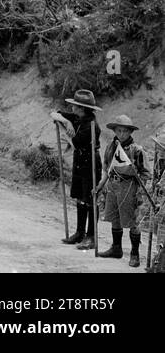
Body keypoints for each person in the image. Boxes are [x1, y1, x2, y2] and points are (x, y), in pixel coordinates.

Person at [50, 89, 103, 250]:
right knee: (80, 198)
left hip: (91, 163)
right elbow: (55, 114)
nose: (72, 108)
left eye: (75, 106)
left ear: (82, 108)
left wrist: (67, 131)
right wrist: (67, 122)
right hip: (79, 161)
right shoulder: (78, 118)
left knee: (90, 199)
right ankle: (79, 233)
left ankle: (91, 236)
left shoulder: (92, 126)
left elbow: (76, 142)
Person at [95, 115, 149, 266]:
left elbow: (145, 174)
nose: (122, 134)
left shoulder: (137, 150)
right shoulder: (111, 147)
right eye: (119, 130)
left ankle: (135, 254)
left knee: (132, 220)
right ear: (114, 130)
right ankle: (116, 248)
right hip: (112, 185)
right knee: (114, 217)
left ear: (130, 132)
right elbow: (107, 169)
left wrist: (139, 191)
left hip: (129, 186)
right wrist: (100, 186)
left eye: (125, 131)